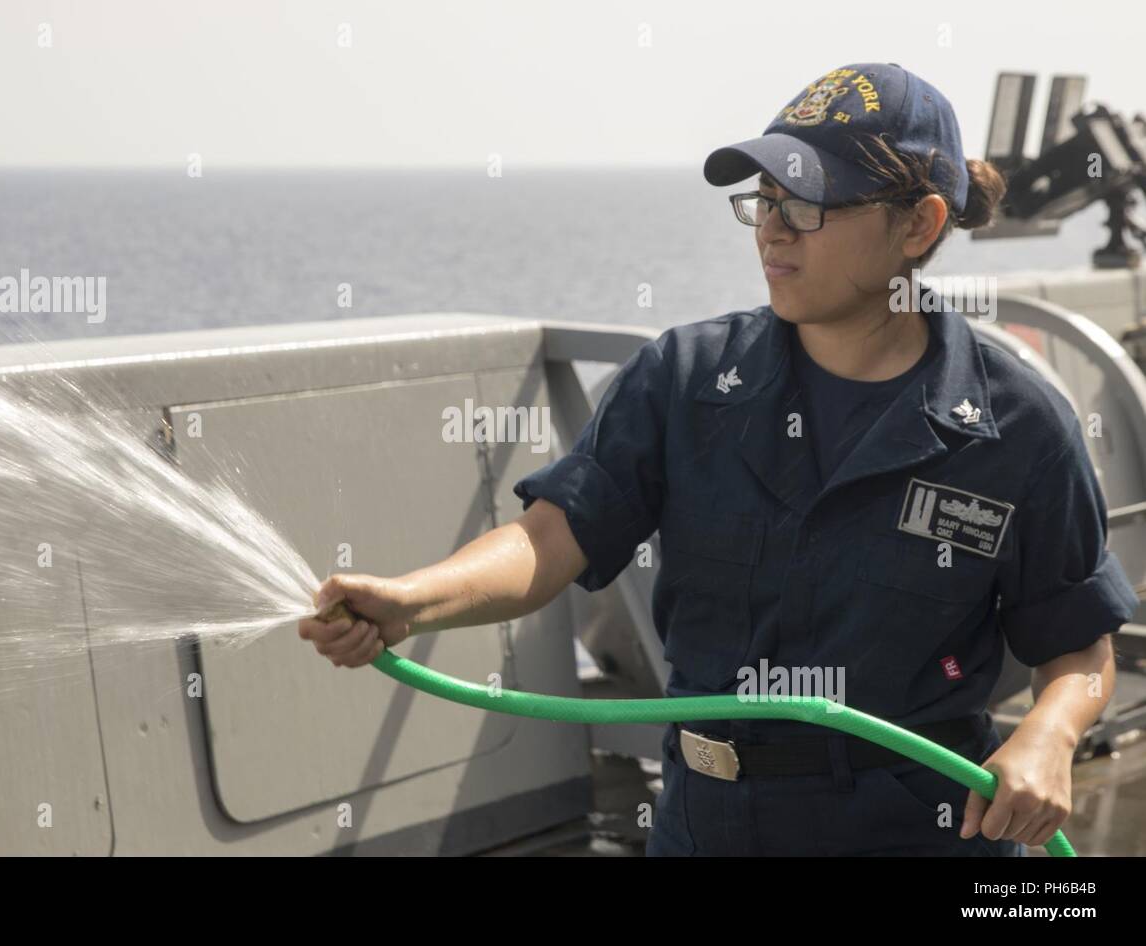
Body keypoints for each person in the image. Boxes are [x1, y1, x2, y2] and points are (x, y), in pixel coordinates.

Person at [297, 63, 1140, 856]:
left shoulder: (1017, 426)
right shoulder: (685, 379)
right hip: (703, 824)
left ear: (916, 225)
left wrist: (1051, 733)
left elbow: (1080, 648)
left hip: (913, 829)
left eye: (806, 206)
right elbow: (552, 537)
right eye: (762, 201)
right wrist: (414, 601)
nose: (770, 232)